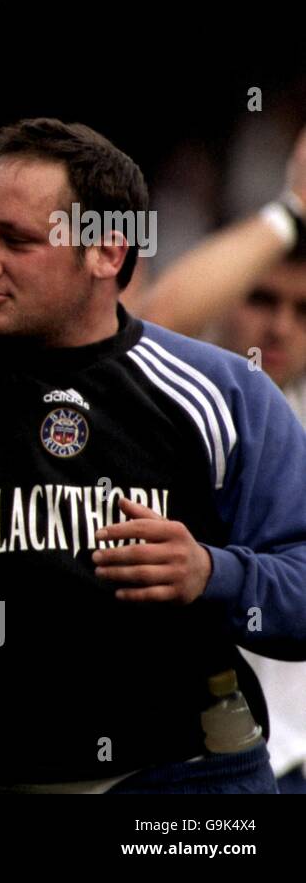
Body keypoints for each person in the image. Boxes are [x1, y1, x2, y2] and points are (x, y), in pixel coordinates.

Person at [0, 117, 306, 793]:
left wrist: (212, 573)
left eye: (16, 240)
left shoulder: (223, 394)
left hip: (183, 785)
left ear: (105, 252)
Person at [139, 127, 306, 793]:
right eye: (260, 299)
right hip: (217, 758)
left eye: (302, 308)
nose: (281, 326)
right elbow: (160, 314)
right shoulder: (190, 409)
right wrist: (290, 211)